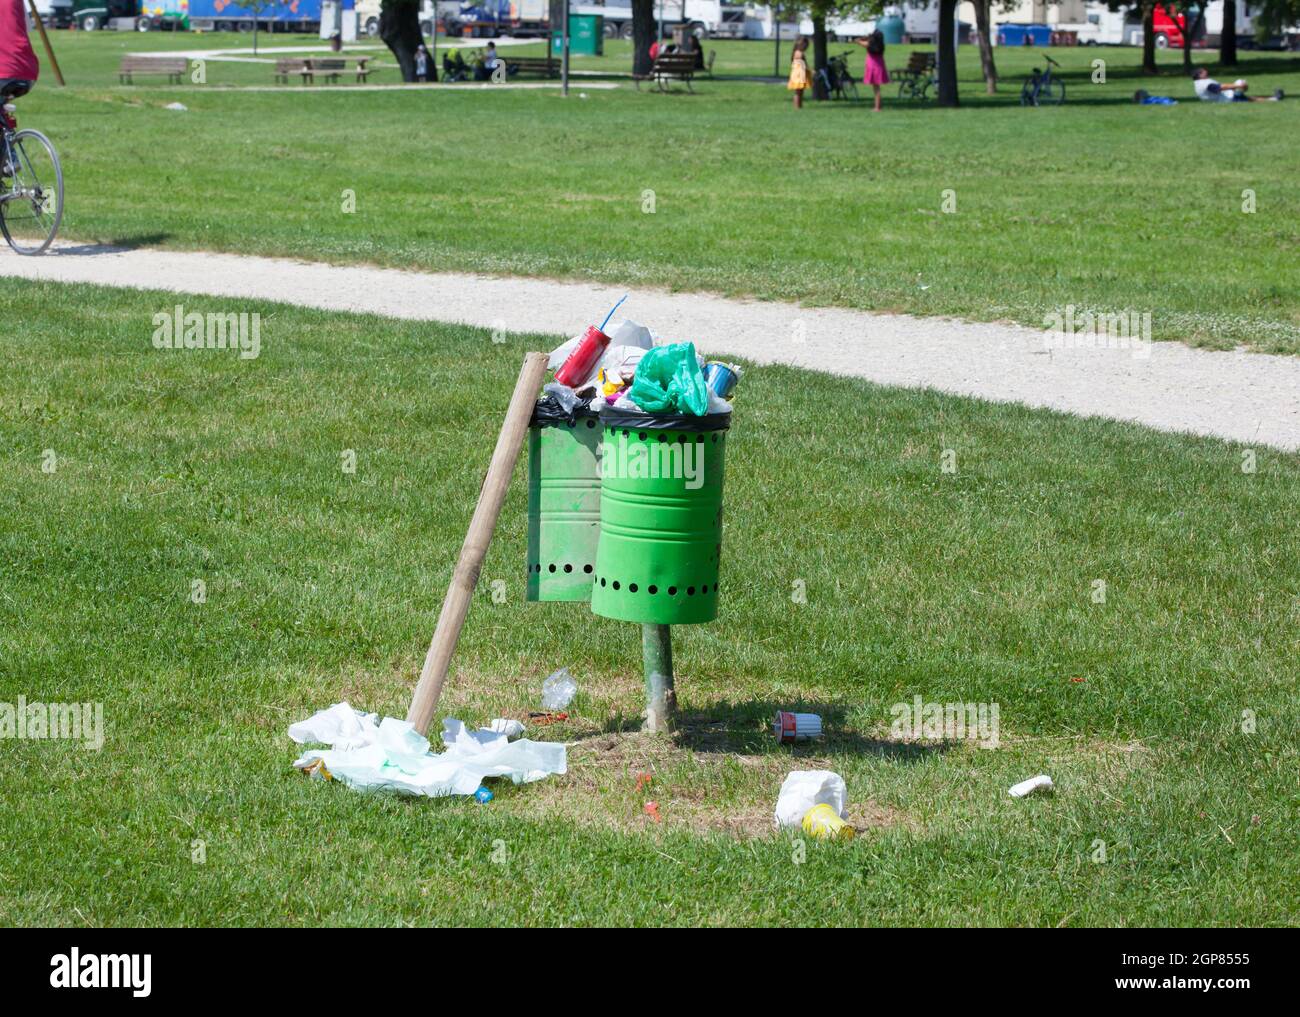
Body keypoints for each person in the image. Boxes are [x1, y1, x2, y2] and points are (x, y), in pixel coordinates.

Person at [1191, 67, 1283, 103]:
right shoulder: (1204, 83)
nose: (1207, 72)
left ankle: (1275, 98)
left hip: (1225, 97)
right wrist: (1238, 86)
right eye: (1204, 71)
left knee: (1251, 98)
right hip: (1227, 99)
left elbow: (1220, 87)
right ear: (1200, 75)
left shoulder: (1199, 83)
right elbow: (1220, 87)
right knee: (1241, 83)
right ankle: (1275, 99)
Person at [855, 29, 890, 112]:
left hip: (872, 66)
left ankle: (877, 107)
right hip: (880, 65)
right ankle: (878, 106)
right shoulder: (880, 45)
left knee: (876, 88)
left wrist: (866, 37)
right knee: (877, 87)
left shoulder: (869, 44)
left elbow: (857, 40)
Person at [788, 36, 811, 109]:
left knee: (801, 92)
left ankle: (800, 106)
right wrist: (810, 70)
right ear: (799, 44)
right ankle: (797, 107)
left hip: (801, 74)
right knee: (798, 93)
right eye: (804, 45)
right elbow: (802, 64)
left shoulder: (799, 52)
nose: (805, 47)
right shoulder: (798, 53)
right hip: (798, 75)